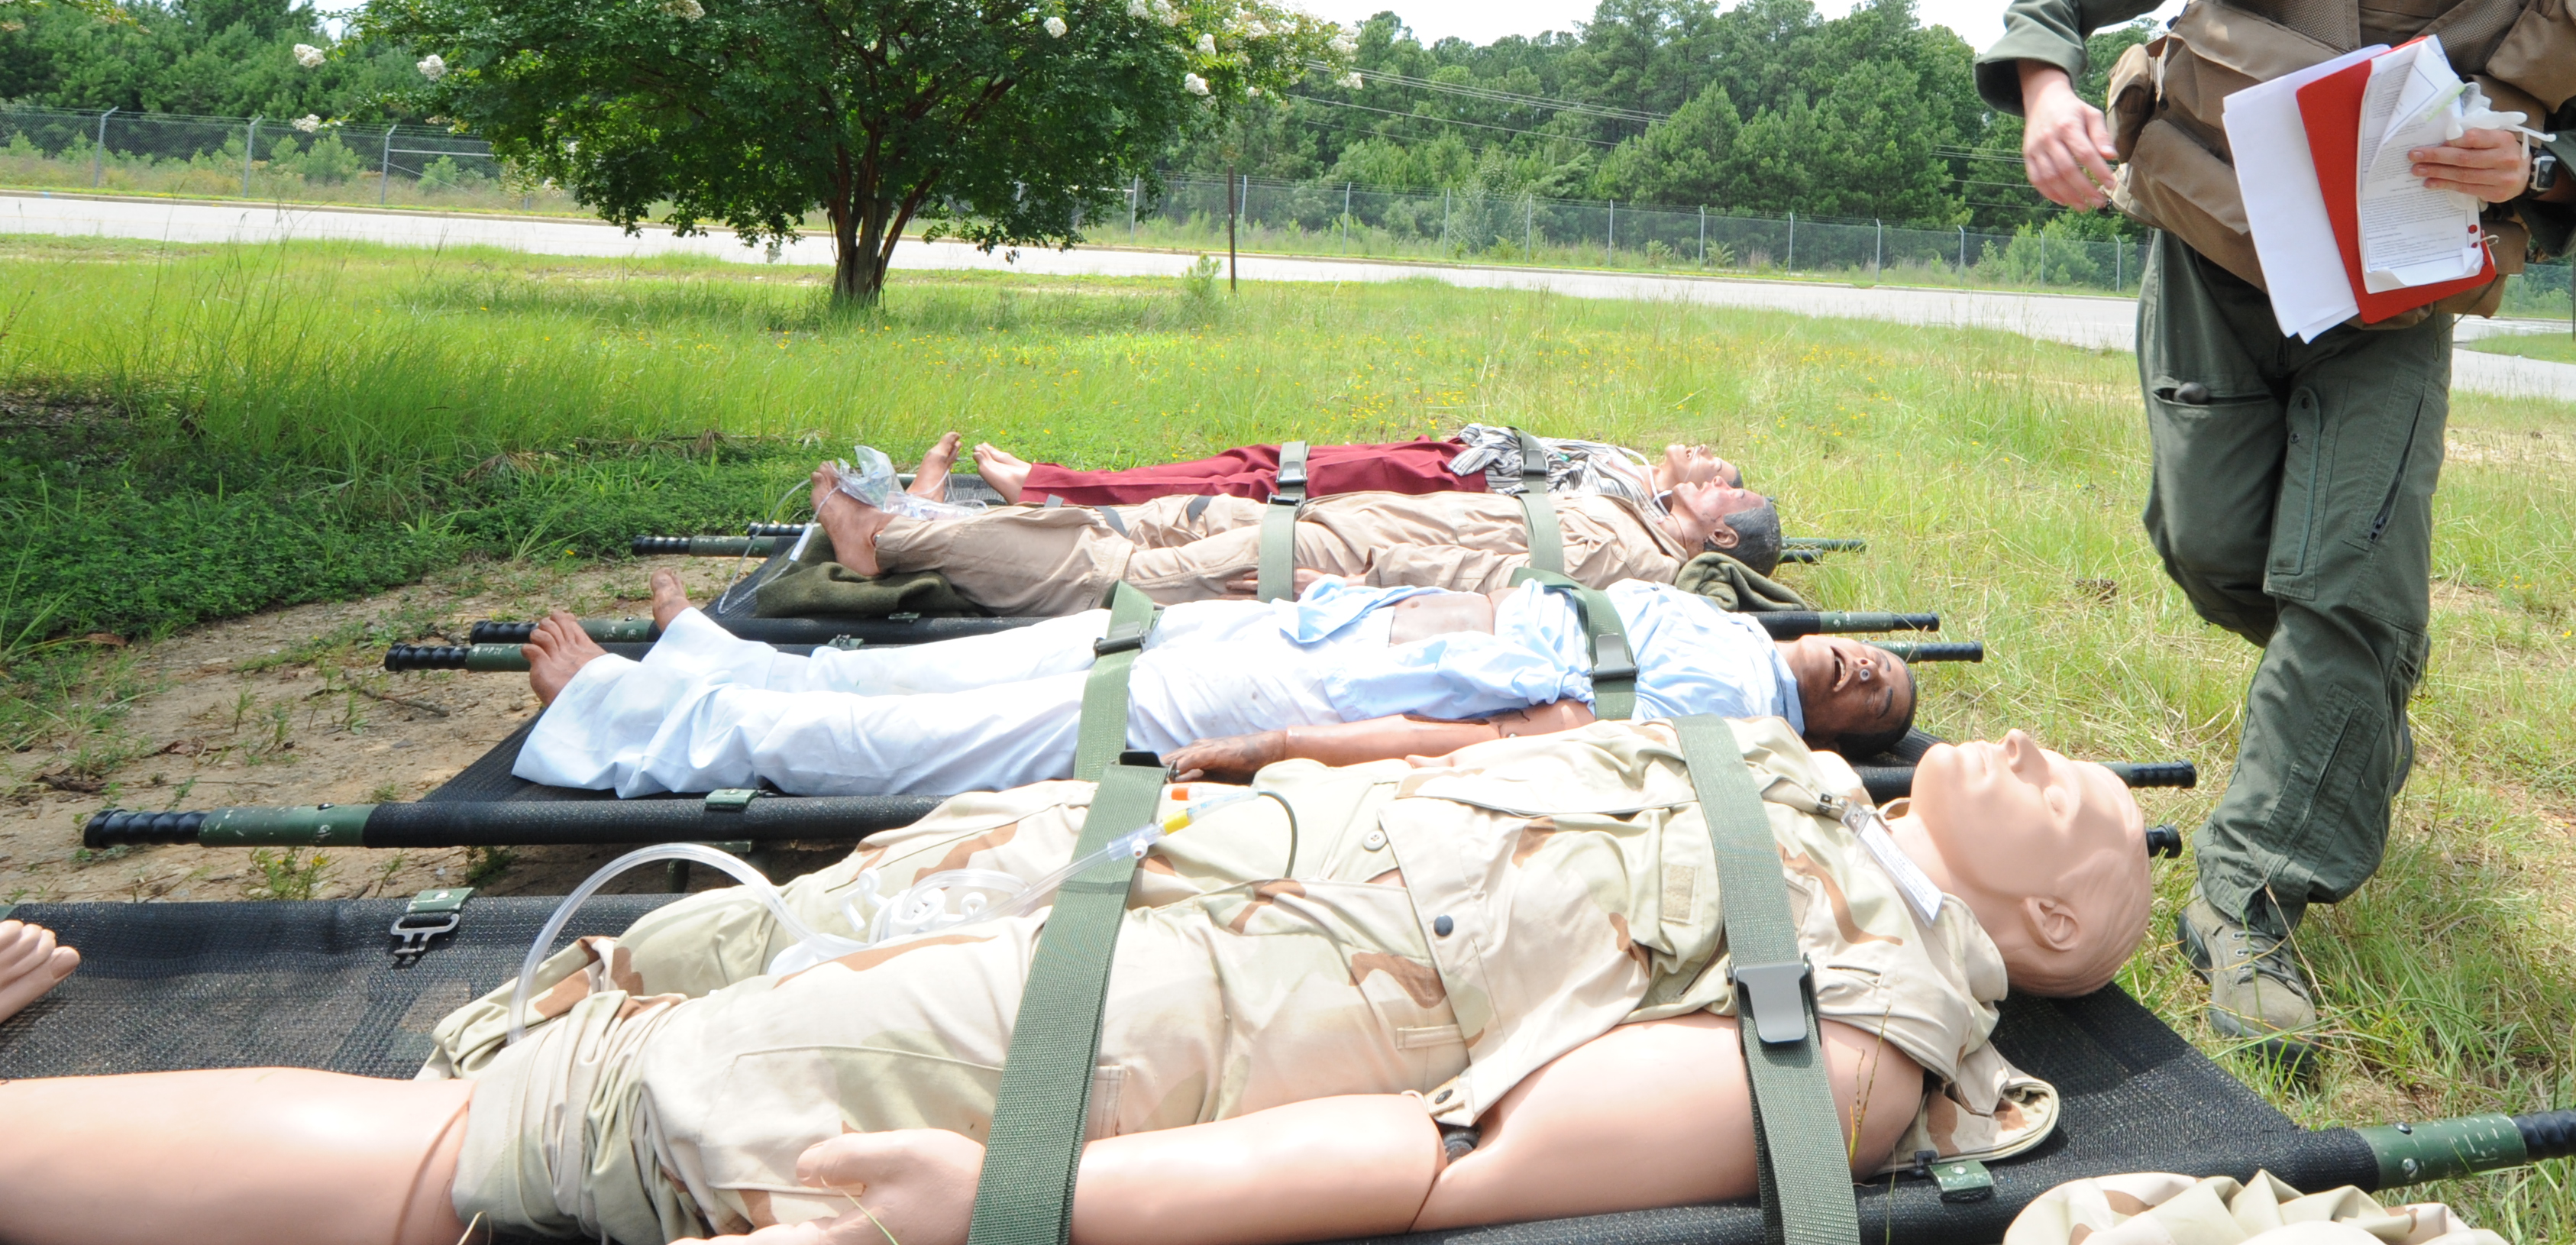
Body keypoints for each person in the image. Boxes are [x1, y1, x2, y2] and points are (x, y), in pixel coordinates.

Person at [0, 723, 2157, 1245]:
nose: (2062, 760)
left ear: (2056, 940)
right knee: (643, 972)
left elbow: (1454, 1158)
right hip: (1150, 858)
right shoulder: (1771, 768)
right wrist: (1170, 774)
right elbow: (1431, 752)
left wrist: (1028, 1200)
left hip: (1166, 1031)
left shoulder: (1870, 1031)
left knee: (494, 1154)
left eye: (2099, 826)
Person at [1978, 0, 2576, 1062]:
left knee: (2344, 584)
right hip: (2212, 265)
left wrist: (2537, 170)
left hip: (2388, 308)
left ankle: (2249, 892)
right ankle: (2349, 710)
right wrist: (2049, 97)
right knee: (2212, 548)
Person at [509, 569, 1915, 798]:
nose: (1871, 672)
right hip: (1316, 621)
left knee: (960, 738)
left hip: (1319, 695)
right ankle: (722, 662)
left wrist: (1286, 745)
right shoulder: (1723, 620)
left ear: (1846, 733)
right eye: (1877, 657)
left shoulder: (1736, 720)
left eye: (1882, 702)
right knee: (1008, 658)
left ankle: (624, 724)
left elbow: (1505, 739)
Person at [810, 458, 1781, 610]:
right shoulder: (1633, 516)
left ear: (1723, 542)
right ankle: (935, 516)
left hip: (1335, 556)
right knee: (1157, 515)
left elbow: (1480, 574)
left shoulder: (1641, 558)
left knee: (1115, 574)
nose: (1707, 486)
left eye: (1721, 497)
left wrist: (1343, 570)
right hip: (1329, 524)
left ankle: (889, 543)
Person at [958, 425, 1746, 512]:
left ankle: (1050, 492)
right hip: (1453, 458)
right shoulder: (1630, 467)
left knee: (1262, 492)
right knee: (1264, 462)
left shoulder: (1629, 507)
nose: (1706, 450)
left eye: (1716, 469)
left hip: (1458, 488)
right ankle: (1061, 483)